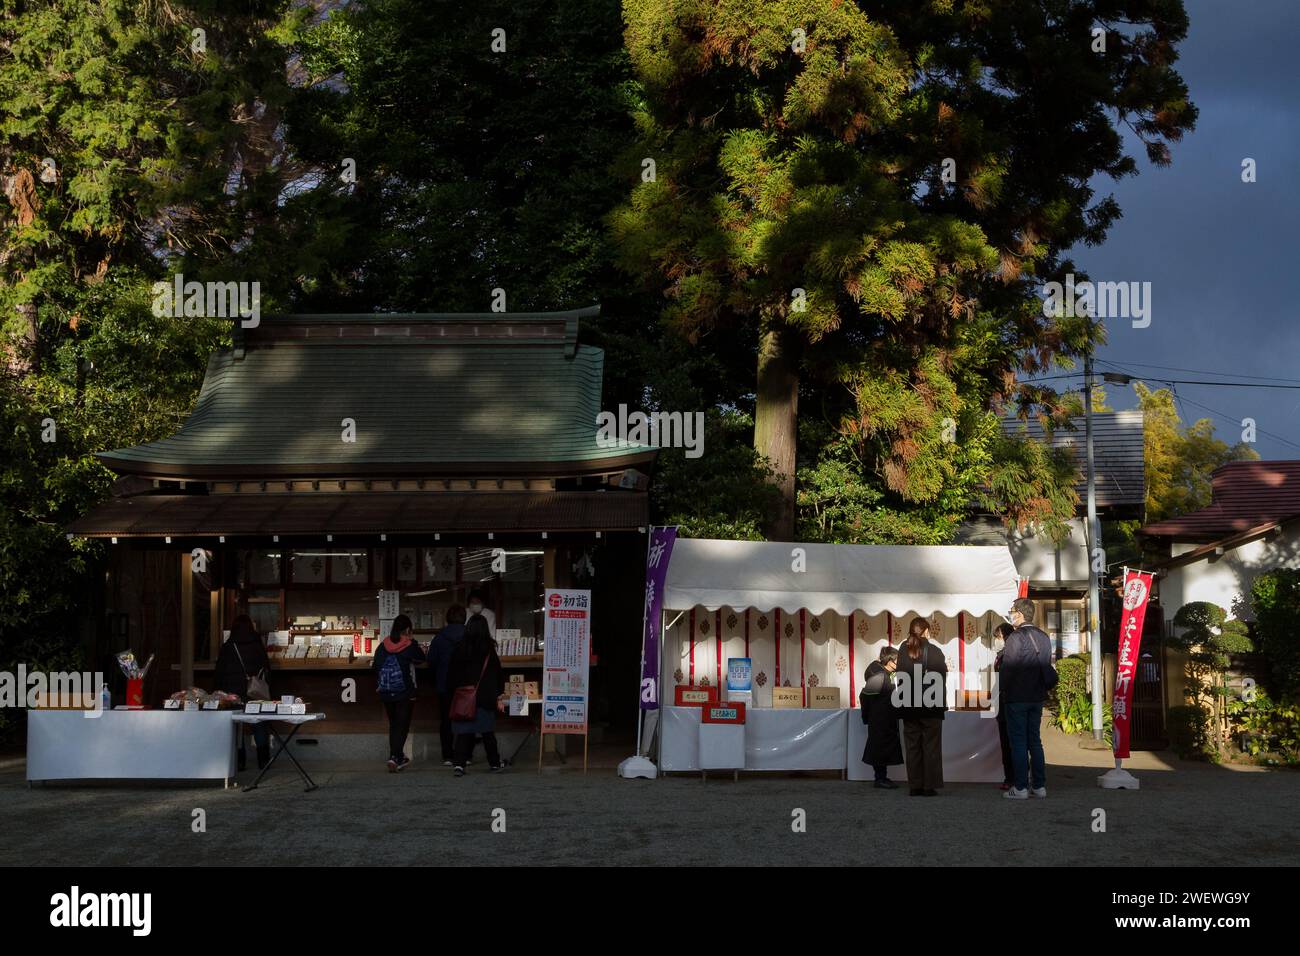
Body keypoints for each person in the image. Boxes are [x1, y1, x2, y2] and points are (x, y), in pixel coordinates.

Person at [1001, 597, 1053, 799]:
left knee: (1019, 742)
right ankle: (1039, 786)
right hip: (1037, 696)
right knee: (1035, 741)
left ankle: (1021, 787)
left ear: (1020, 614)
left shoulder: (1016, 637)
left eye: (1012, 610)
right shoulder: (1043, 636)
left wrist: (1003, 691)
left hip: (1017, 697)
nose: (1011, 614)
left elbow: (1008, 668)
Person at [895, 617, 947, 796]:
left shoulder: (903, 650)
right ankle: (929, 786)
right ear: (926, 631)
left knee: (912, 746)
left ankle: (915, 786)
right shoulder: (935, 651)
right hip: (930, 706)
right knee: (930, 746)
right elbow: (941, 681)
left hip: (909, 706)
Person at [447, 614, 505, 776]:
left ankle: (459, 764)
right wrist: (498, 694)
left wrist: (454, 692)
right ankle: (494, 763)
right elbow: (498, 674)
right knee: (487, 732)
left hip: (465, 696)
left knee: (464, 732)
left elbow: (452, 674)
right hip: (485, 697)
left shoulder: (460, 648)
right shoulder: (489, 650)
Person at [214, 614, 271, 772]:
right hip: (254, 692)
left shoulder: (228, 647)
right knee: (258, 724)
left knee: (237, 727)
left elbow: (219, 672)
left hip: (233, 693)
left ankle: (240, 761)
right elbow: (266, 668)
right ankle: (263, 761)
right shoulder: (257, 645)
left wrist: (219, 692)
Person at [373, 614, 425, 772]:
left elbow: (376, 665)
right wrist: (413, 640)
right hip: (404, 692)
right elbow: (421, 658)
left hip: (386, 692)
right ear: (408, 630)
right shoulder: (409, 646)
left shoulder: (383, 645)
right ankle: (395, 757)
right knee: (402, 726)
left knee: (394, 724)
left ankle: (397, 756)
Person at [427, 604, 467, 766]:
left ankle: (448, 756)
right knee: (466, 718)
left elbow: (431, 661)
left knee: (446, 720)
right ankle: (465, 754)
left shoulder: (439, 637)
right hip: (466, 685)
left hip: (444, 684)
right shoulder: (470, 635)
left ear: (447, 618)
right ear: (464, 618)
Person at [860, 646, 903, 789]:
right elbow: (865, 697)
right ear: (889, 661)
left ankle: (881, 777)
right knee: (879, 748)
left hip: (885, 717)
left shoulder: (886, 674)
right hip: (879, 718)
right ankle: (880, 778)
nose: (899, 663)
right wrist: (868, 716)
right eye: (897, 660)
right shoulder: (879, 676)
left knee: (883, 747)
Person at [993, 622, 1015, 791]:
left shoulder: (1012, 653)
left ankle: (1014, 777)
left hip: (1010, 701)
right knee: (1006, 742)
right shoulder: (1001, 654)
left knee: (1012, 742)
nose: (997, 640)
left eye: (998, 637)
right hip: (1002, 701)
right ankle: (1010, 776)